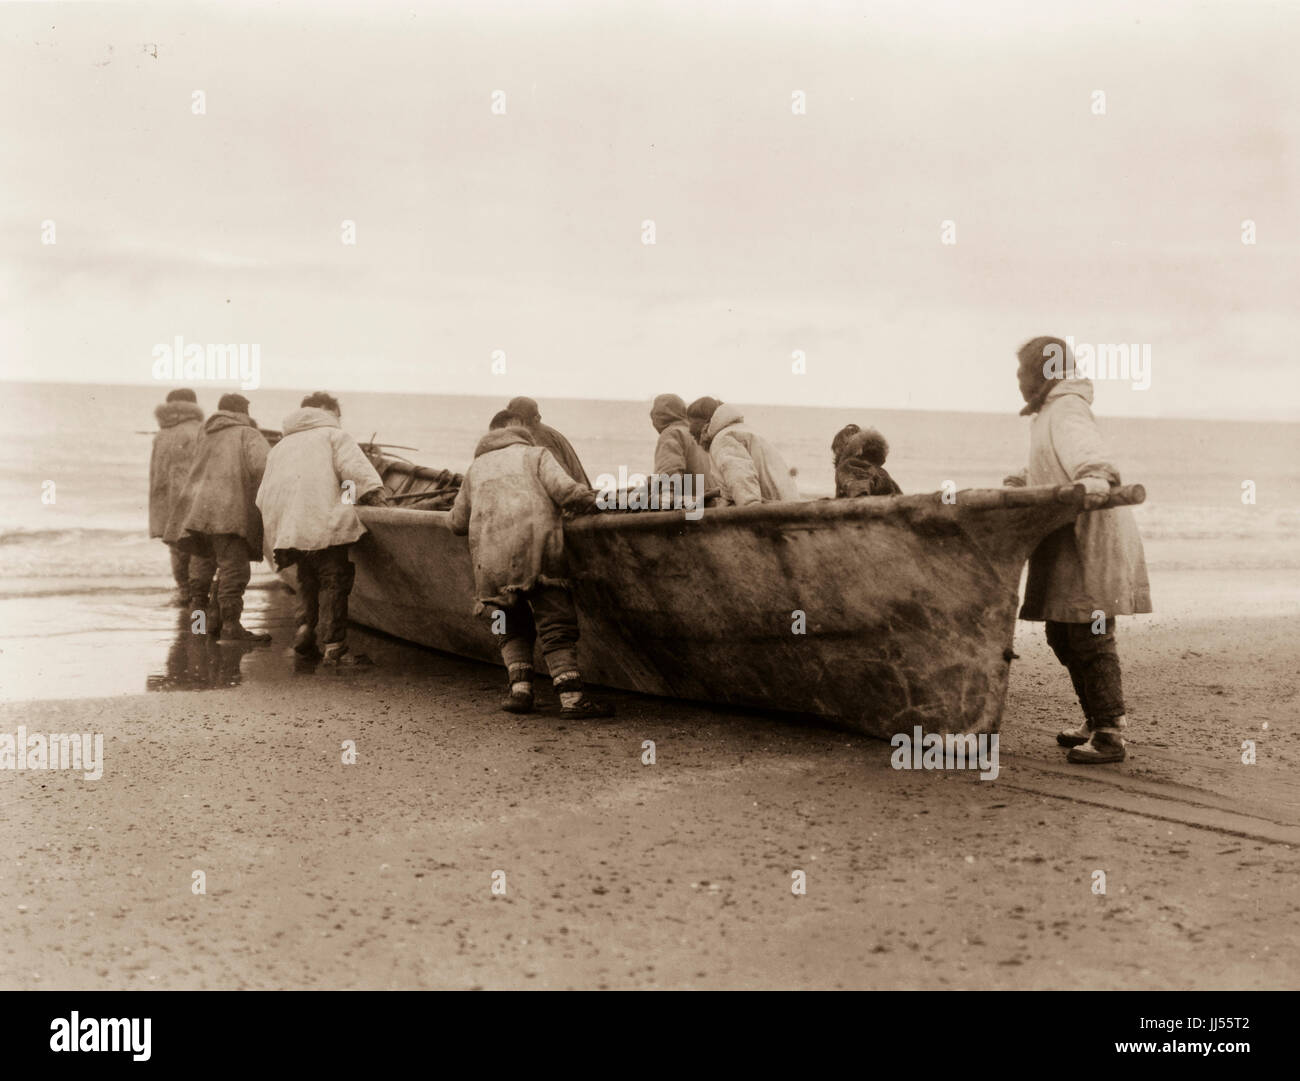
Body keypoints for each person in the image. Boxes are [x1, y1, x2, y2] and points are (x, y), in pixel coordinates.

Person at [1005, 336, 1152, 764]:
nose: (1017, 381)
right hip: (1063, 541)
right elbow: (1050, 462)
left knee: (1089, 633)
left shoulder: (1067, 407)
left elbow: (1088, 456)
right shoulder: (1049, 413)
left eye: (1020, 372)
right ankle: (1095, 717)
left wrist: (1096, 478)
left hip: (1088, 536)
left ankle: (1110, 734)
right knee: (1061, 633)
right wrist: (1020, 479)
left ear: (1042, 371)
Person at [449, 410, 612, 718]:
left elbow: (457, 522)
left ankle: (520, 693)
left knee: (509, 626)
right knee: (555, 623)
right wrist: (594, 501)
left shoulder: (475, 468)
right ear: (521, 431)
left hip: (493, 566)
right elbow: (567, 493)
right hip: (538, 557)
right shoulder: (537, 455)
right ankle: (572, 700)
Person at [256, 392, 388, 666]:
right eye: (337, 415)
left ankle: (305, 628)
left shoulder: (282, 445)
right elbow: (355, 473)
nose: (338, 420)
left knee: (306, 579)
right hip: (324, 525)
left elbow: (264, 495)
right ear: (328, 412)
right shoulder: (334, 436)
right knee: (334, 582)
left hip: (292, 529)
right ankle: (335, 646)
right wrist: (372, 497)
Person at [164, 392, 271, 643]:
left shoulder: (206, 433)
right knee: (234, 571)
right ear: (243, 411)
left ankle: (202, 627)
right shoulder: (248, 434)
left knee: (200, 576)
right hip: (229, 515)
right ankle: (231, 627)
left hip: (198, 517)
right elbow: (265, 467)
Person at [149, 388, 205, 605]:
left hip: (167, 502)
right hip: (193, 499)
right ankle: (198, 598)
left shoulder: (161, 434)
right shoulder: (199, 431)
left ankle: (184, 592)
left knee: (176, 548)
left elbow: (155, 474)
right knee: (199, 549)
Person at [698, 400, 800, 506]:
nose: (690, 429)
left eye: (691, 421)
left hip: (771, 514)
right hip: (786, 505)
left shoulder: (723, 439)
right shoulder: (741, 431)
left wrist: (750, 507)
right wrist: (717, 492)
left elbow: (742, 483)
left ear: (704, 423)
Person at [505, 396, 591, 486]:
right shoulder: (541, 433)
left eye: (515, 420)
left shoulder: (541, 439)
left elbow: (560, 478)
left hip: (575, 494)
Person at [650, 393, 712, 508]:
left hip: (689, 512)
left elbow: (669, 474)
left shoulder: (672, 434)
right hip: (707, 505)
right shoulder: (696, 435)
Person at [831, 424, 902, 497]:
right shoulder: (881, 472)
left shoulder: (848, 466)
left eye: (836, 452)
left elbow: (859, 495)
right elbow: (899, 499)